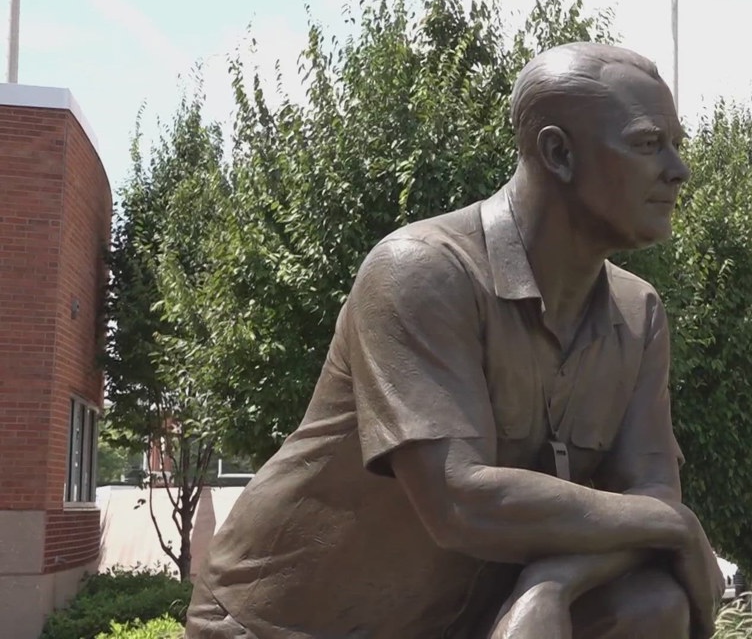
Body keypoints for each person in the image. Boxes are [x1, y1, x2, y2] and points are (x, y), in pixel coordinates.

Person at [185, 41, 724, 639]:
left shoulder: (637, 311)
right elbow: (460, 501)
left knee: (650, 604)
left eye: (677, 144)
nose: (678, 169)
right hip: (283, 624)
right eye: (649, 144)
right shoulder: (420, 270)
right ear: (559, 153)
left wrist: (555, 583)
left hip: (466, 620)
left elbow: (649, 503)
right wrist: (675, 525)